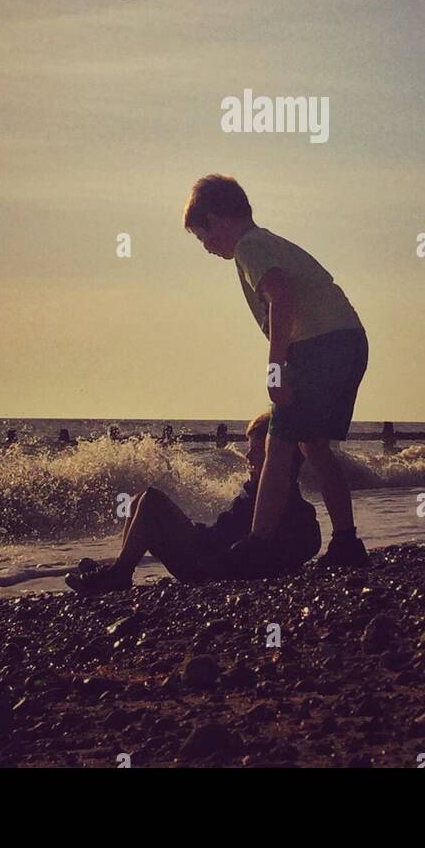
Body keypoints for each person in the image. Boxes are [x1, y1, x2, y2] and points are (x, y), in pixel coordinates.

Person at [183, 174, 370, 574]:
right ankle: (346, 542)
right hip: (349, 341)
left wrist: (276, 368)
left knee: (279, 441)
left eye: (203, 237)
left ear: (216, 220)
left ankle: (259, 544)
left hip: (319, 346)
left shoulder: (250, 246)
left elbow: (280, 296)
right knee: (315, 447)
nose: (207, 248)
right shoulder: (271, 241)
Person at [65, 412, 320, 593]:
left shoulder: (285, 505)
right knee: (138, 500)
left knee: (152, 500)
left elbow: (291, 546)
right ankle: (121, 567)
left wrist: (225, 563)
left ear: (278, 455)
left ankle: (120, 574)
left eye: (256, 449)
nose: (248, 455)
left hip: (205, 562)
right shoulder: (256, 491)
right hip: (207, 550)